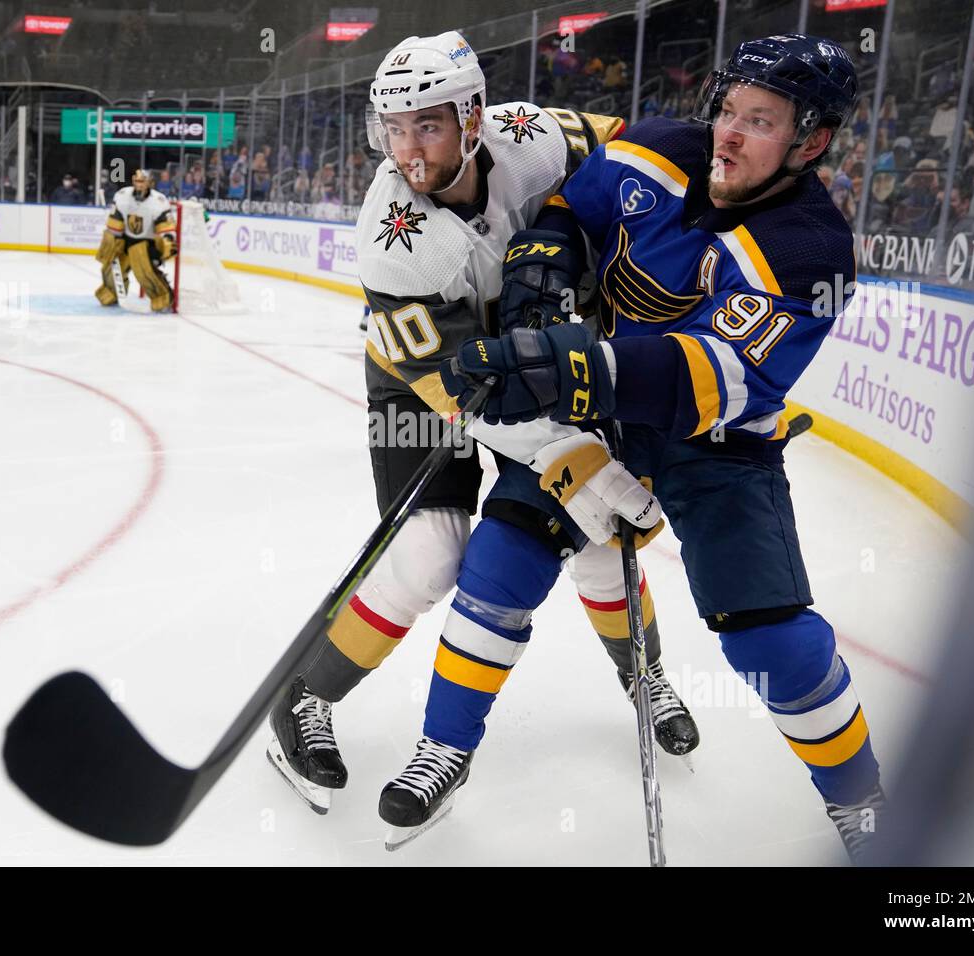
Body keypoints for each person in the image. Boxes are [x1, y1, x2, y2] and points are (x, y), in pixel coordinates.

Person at [437, 34, 887, 863]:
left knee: (772, 641)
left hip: (720, 447)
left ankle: (864, 807)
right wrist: (545, 258)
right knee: (503, 554)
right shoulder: (654, 143)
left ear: (812, 141)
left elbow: (705, 377)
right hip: (603, 409)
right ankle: (444, 749)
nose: (729, 132)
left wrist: (565, 367)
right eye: (728, 110)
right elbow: (578, 206)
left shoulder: (810, 251)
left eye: (760, 121)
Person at [265, 31, 695, 821]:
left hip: (545, 355)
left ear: (473, 118)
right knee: (430, 552)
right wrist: (574, 456)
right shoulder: (392, 241)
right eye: (394, 128)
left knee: (600, 541)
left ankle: (646, 672)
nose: (408, 149)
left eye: (426, 124)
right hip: (425, 386)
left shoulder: (530, 136)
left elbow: (638, 154)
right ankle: (302, 696)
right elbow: (458, 391)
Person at [93, 168, 176, 311]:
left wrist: (166, 244)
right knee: (110, 268)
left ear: (150, 182)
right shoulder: (122, 196)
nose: (139, 184)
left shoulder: (159, 201)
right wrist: (110, 241)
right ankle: (112, 292)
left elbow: (166, 229)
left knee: (143, 271)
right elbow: (115, 226)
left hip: (147, 243)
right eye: (137, 181)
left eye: (142, 181)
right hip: (126, 240)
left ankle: (163, 297)